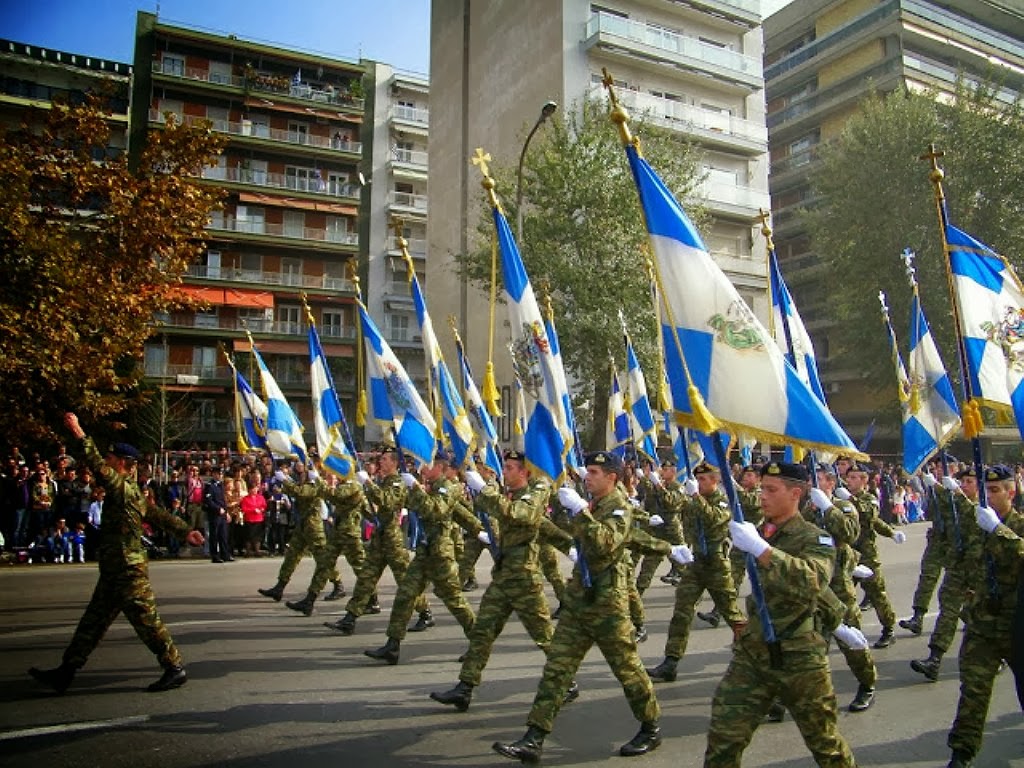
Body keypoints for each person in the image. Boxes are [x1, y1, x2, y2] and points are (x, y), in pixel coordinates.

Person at [493, 451, 682, 763]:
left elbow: (606, 542)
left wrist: (580, 511)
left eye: (594, 472)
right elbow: (620, 540)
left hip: (608, 606)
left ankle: (650, 727)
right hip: (580, 601)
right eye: (587, 471)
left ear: (612, 477)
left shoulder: (619, 506)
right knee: (557, 669)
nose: (587, 477)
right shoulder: (596, 504)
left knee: (628, 670)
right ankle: (534, 737)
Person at [28, 413, 205, 694]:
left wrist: (78, 431)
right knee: (93, 621)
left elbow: (96, 465)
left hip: (127, 568)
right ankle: (66, 670)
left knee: (146, 620)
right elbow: (157, 514)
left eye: (112, 459)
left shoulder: (121, 487)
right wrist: (185, 531)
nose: (108, 461)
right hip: (115, 568)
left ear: (122, 464)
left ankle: (174, 667)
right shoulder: (130, 490)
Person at [703, 461, 858, 767]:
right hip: (754, 652)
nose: (762, 496)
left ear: (796, 493)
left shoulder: (816, 537)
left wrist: (762, 550)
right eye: (761, 488)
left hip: (800, 656)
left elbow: (813, 581)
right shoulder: (760, 532)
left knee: (825, 744)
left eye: (771, 490)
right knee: (724, 735)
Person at [431, 450, 586, 711]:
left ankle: (567, 681)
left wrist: (484, 492)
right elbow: (541, 525)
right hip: (504, 577)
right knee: (482, 632)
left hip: (525, 579)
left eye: (512, 467)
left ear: (525, 472)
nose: (506, 470)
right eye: (505, 466)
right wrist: (566, 544)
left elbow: (523, 516)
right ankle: (465, 687)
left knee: (544, 636)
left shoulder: (533, 495)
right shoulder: (511, 495)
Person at [364, 449, 479, 664]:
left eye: (427, 464)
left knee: (454, 600)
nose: (422, 467)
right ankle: (393, 645)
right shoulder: (432, 487)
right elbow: (457, 513)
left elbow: (436, 510)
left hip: (441, 554)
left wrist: (415, 488)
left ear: (440, 467)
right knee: (406, 594)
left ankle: (479, 642)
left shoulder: (449, 487)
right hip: (425, 553)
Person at [946, 465, 1024, 768]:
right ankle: (961, 753)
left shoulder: (1017, 524)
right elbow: (963, 563)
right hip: (981, 624)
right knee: (973, 693)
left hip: (1016, 625)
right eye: (985, 490)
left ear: (1011, 492)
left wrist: (998, 530)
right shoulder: (976, 524)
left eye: (995, 490)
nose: (988, 497)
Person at [647, 461, 746, 683]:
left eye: (703, 479)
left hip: (717, 565)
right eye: (697, 479)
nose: (699, 483)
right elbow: (673, 506)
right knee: (682, 611)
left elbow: (714, 518)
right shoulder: (692, 499)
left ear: (715, 480)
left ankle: (754, 657)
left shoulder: (722, 501)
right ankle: (670, 662)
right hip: (696, 562)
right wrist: (659, 487)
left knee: (731, 613)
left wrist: (696, 498)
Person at [324, 446, 427, 635]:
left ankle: (425, 613)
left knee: (405, 580)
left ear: (395, 463)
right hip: (380, 538)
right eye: (382, 459)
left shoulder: (397, 482)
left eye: (386, 459)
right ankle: (350, 618)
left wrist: (369, 484)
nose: (381, 462)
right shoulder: (385, 480)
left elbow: (387, 501)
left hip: (393, 540)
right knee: (366, 578)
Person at [803, 465, 878, 712]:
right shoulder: (807, 509)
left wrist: (827, 508)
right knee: (811, 646)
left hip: (839, 586)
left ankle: (867, 683)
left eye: (818, 479)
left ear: (830, 483)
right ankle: (802, 696)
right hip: (815, 586)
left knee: (852, 643)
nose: (811, 485)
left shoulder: (843, 507)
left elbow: (850, 533)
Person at [910, 465, 979, 682]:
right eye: (963, 482)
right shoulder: (957, 502)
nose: (965, 485)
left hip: (979, 572)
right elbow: (942, 510)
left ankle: (1001, 653)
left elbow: (973, 513)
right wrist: (936, 487)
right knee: (947, 610)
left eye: (970, 482)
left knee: (980, 616)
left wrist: (954, 492)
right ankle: (935, 659)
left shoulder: (985, 507)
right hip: (957, 567)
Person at [284, 473, 367, 616]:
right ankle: (309, 600)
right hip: (338, 532)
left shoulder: (352, 485)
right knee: (324, 564)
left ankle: (372, 600)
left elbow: (335, 495)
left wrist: (318, 480)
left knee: (360, 567)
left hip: (349, 534)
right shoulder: (347, 485)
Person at [900, 454, 961, 635]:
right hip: (937, 539)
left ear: (955, 468)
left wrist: (941, 488)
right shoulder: (934, 487)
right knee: (927, 577)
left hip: (957, 542)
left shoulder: (963, 485)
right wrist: (933, 490)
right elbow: (928, 512)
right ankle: (918, 616)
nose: (942, 470)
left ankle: (969, 616)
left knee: (960, 583)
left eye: (947, 467)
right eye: (939, 467)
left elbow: (962, 506)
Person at [846, 462, 906, 648]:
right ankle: (848, 629)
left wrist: (891, 533)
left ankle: (889, 629)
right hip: (848, 555)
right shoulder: (843, 499)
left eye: (854, 477)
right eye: (848, 477)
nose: (849, 480)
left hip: (866, 555)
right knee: (843, 595)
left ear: (864, 480)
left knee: (877, 594)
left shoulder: (869, 498)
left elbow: (870, 517)